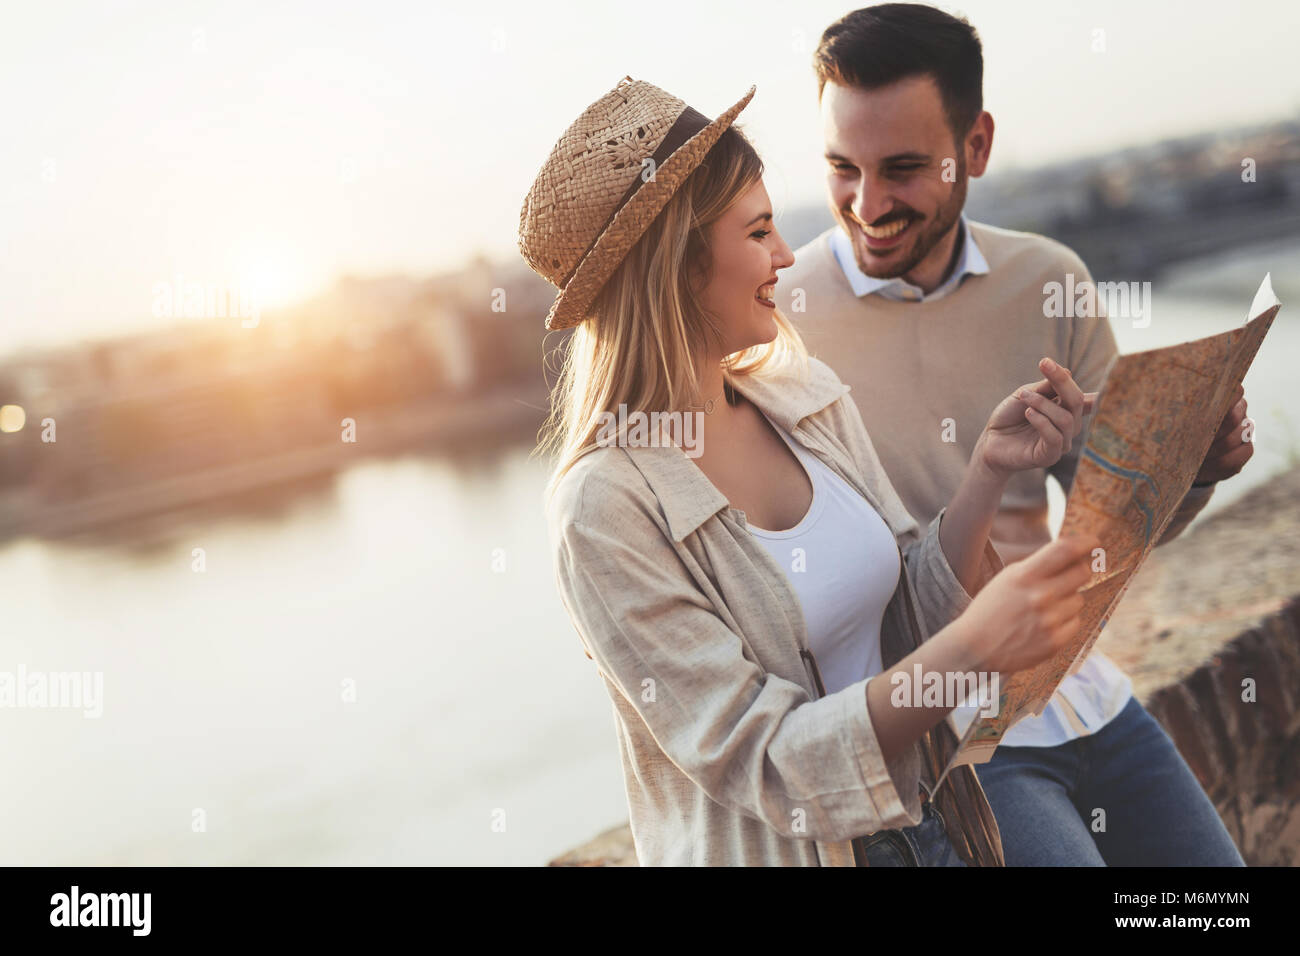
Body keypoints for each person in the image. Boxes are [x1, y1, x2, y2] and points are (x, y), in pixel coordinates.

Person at [519, 76, 1101, 866]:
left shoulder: (802, 396)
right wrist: (972, 647)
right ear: (679, 265)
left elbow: (903, 613)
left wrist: (987, 476)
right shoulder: (603, 507)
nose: (787, 256)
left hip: (942, 826)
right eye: (758, 232)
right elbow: (762, 756)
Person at [783, 3, 1249, 865]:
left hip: (1090, 700)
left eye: (905, 169)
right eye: (842, 168)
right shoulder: (780, 321)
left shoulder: (1050, 280)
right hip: (950, 747)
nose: (868, 203)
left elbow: (1114, 529)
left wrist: (1195, 473)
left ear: (979, 145)